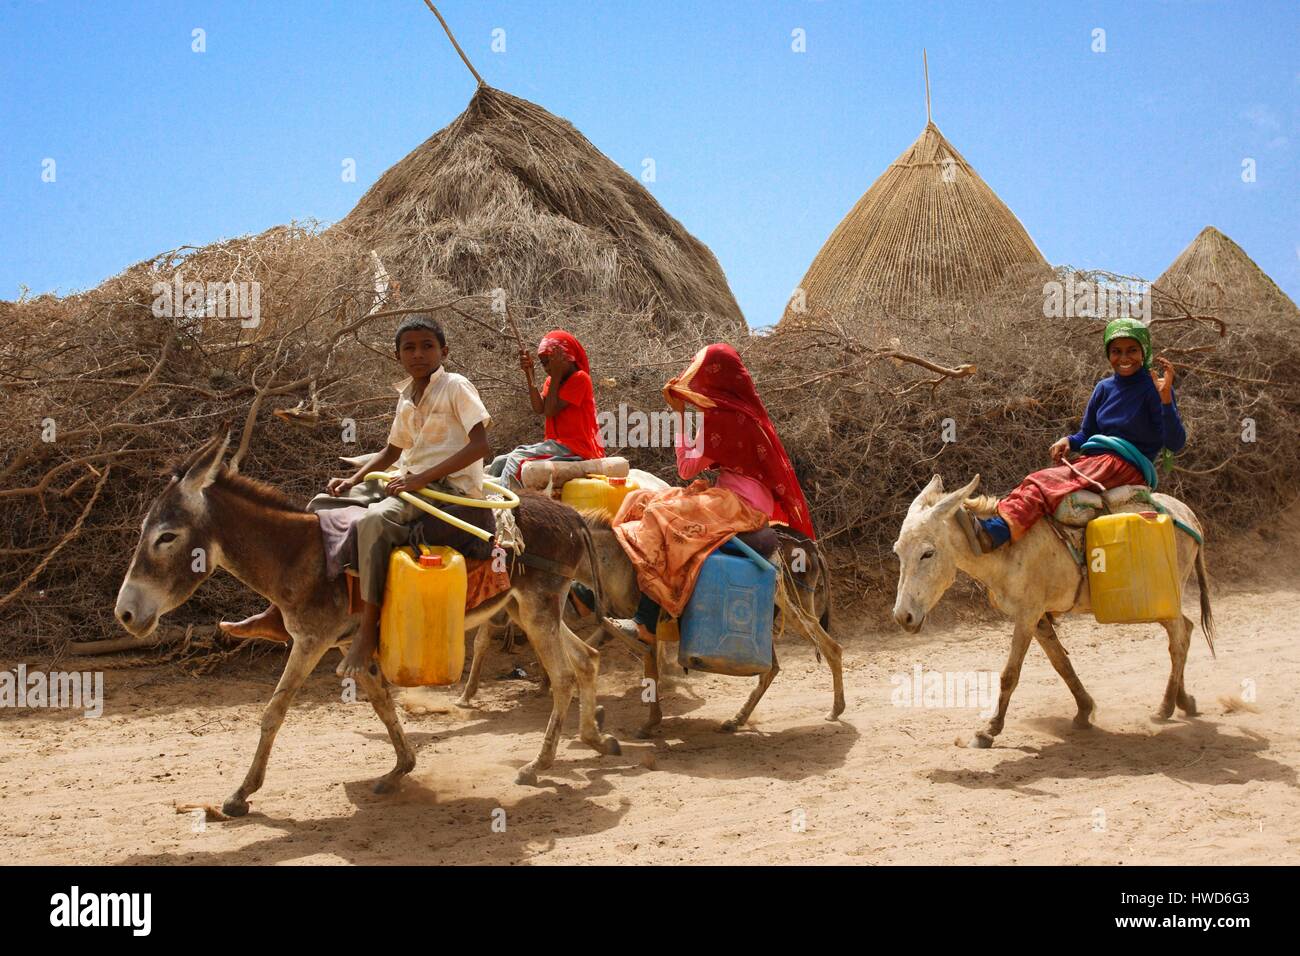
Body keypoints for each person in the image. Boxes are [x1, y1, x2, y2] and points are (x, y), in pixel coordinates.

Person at [219, 315, 492, 677]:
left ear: (444, 350)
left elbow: (480, 445)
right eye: (409, 348)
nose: (418, 354)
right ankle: (279, 611)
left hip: (448, 488)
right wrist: (353, 480)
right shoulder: (407, 397)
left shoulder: (456, 386)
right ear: (397, 356)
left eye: (427, 346)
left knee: (375, 523)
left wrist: (419, 479)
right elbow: (391, 453)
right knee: (318, 508)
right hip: (407, 479)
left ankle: (367, 631)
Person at [605, 343, 815, 644]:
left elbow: (687, 468)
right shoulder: (752, 416)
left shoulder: (717, 420)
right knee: (644, 501)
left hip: (735, 504)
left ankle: (649, 621)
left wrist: (678, 416)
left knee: (655, 510)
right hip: (742, 501)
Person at [962, 317, 1186, 552]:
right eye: (1116, 351)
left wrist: (1166, 400)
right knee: (1039, 479)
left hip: (1125, 465)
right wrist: (1068, 441)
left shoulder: (1155, 389)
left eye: (1132, 350)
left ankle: (996, 532)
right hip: (1096, 461)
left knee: (1044, 482)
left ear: (1144, 351)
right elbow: (1087, 434)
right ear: (1108, 354)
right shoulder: (1104, 388)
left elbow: (1175, 442)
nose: (1124, 358)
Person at [487, 329, 606, 490]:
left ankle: (505, 504)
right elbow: (539, 408)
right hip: (557, 446)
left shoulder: (580, 379)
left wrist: (555, 376)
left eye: (549, 362)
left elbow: (550, 411)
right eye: (543, 364)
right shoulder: (552, 381)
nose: (547, 368)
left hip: (576, 447)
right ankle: (484, 499)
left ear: (566, 357)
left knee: (517, 457)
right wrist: (530, 376)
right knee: (499, 461)